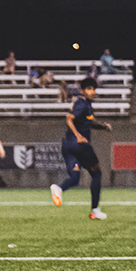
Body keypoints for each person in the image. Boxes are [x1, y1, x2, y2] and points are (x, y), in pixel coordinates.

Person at [51, 77, 111, 219]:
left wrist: (103, 126)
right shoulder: (82, 103)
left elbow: (90, 122)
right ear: (83, 90)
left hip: (67, 146)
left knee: (75, 177)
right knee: (96, 174)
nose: (93, 92)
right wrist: (78, 135)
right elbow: (69, 118)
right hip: (80, 145)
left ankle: (59, 188)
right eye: (89, 89)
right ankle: (95, 210)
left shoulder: (85, 105)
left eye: (94, 89)